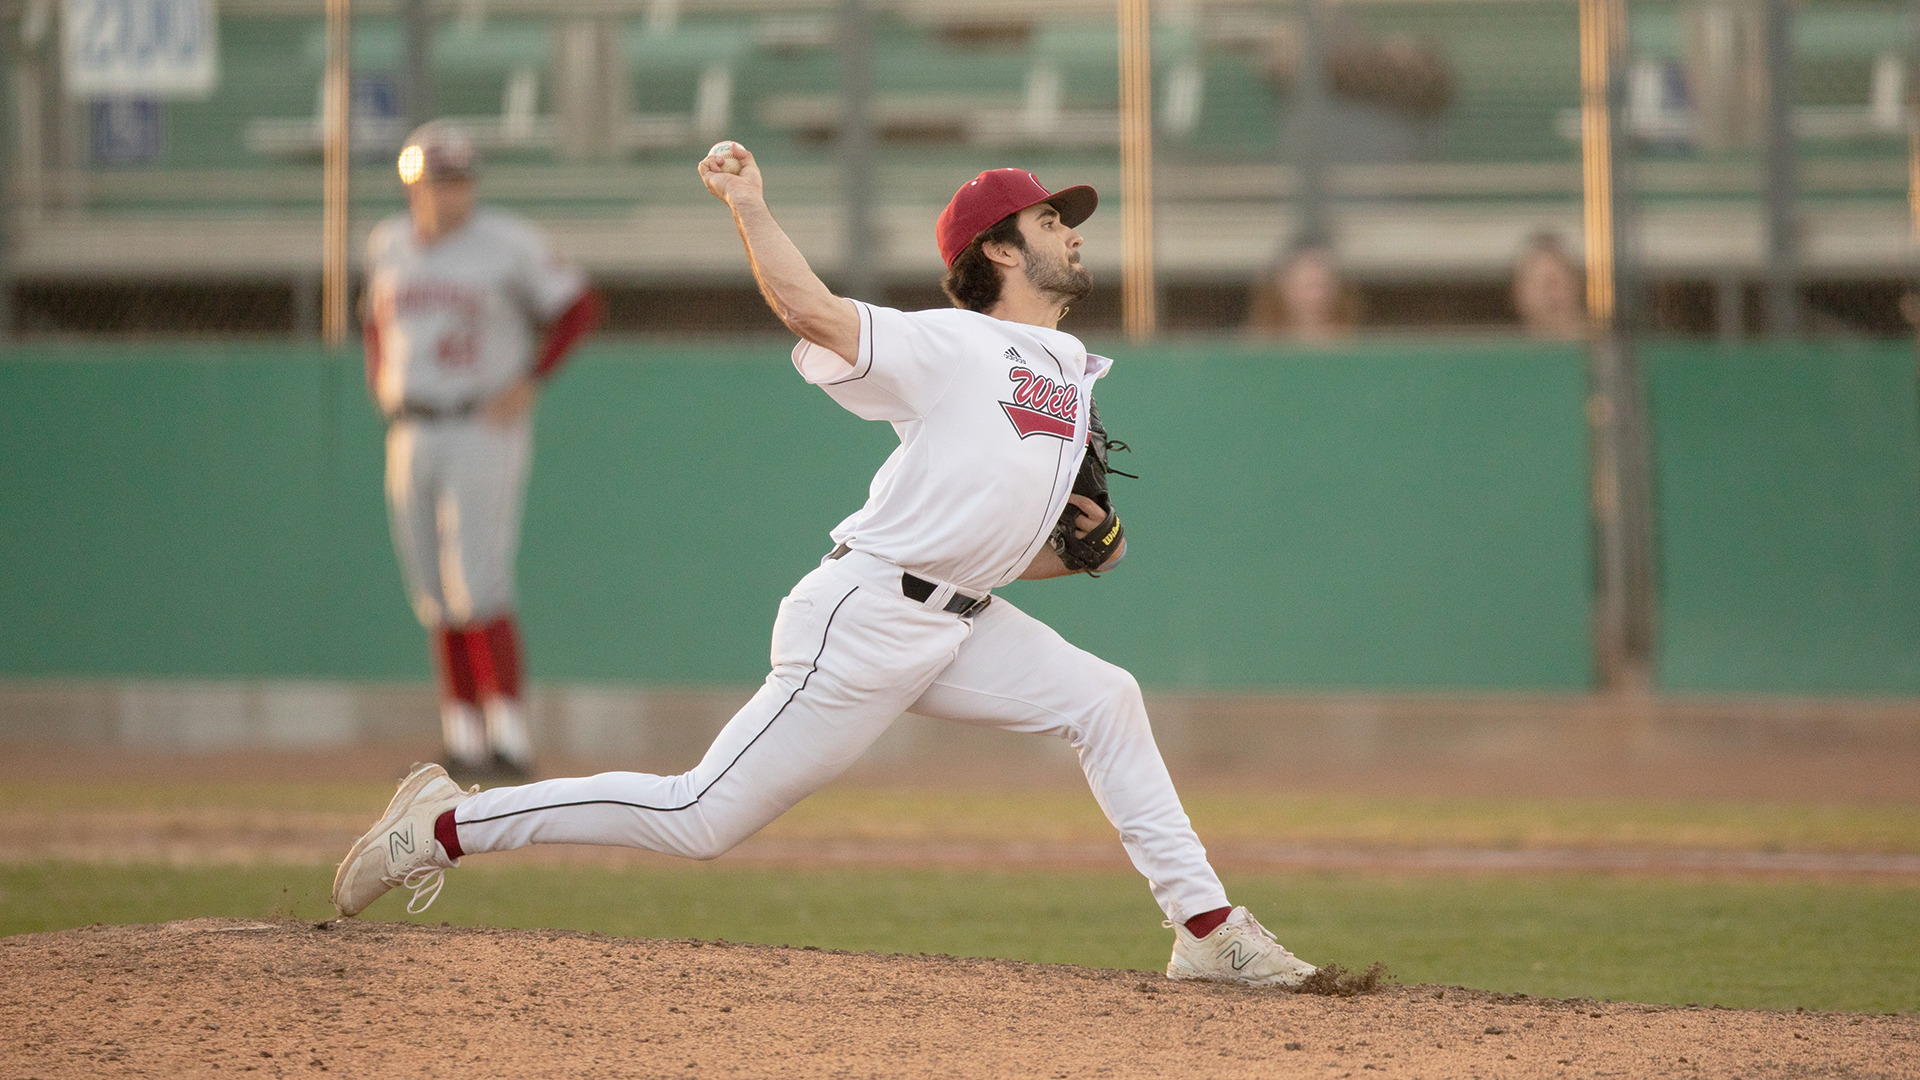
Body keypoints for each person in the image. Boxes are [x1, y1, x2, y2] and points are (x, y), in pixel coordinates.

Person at [333, 147, 1319, 989]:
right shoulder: (950, 343)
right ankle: (446, 824)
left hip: (957, 618)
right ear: (998, 249)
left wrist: (1085, 554)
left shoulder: (1063, 368)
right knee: (698, 816)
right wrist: (750, 203)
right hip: (866, 616)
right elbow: (810, 309)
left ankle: (1206, 929)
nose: (1072, 233)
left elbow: (990, 550)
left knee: (1106, 699)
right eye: (1050, 220)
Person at [362, 122, 602, 779]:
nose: (454, 192)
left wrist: (530, 379)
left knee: (479, 582)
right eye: (441, 179)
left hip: (479, 422)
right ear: (413, 185)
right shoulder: (389, 243)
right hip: (412, 425)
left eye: (462, 179)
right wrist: (380, 378)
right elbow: (374, 322)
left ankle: (510, 738)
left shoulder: (507, 242)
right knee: (433, 590)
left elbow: (579, 307)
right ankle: (463, 737)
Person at [1245, 238, 1357, 341]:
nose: (1314, 297)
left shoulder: (1352, 342)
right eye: (1306, 286)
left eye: (1321, 286)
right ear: (1283, 287)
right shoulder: (1259, 342)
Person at [1512, 231, 1586, 339]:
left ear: (1577, 284)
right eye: (1538, 285)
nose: (1549, 295)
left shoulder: (1605, 344)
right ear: (1518, 293)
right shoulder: (1507, 346)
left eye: (1556, 283)